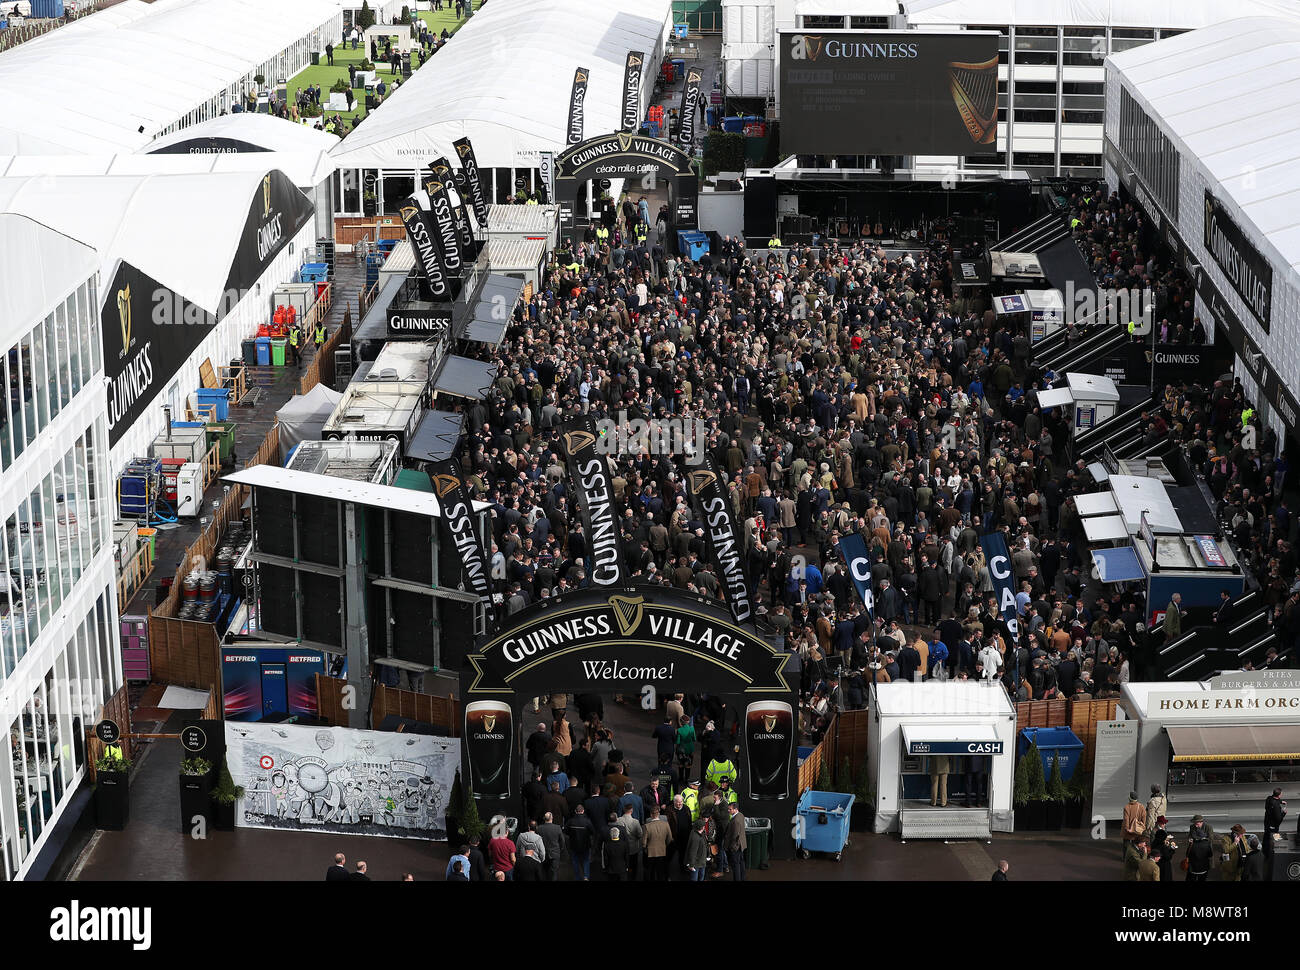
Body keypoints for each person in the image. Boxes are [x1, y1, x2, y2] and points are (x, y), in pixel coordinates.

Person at [565, 803, 594, 881]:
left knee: (575, 862)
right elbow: (592, 832)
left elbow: (566, 831)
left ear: (575, 811)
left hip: (574, 845)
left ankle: (577, 877)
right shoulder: (587, 821)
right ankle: (586, 876)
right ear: (583, 811)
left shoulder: (570, 821)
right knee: (586, 860)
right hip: (585, 844)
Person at [643, 805, 672, 881]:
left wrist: (645, 848)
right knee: (661, 871)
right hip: (662, 850)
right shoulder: (666, 824)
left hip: (650, 852)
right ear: (658, 814)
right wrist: (665, 845)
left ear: (651, 815)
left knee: (651, 871)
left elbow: (644, 842)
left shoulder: (647, 826)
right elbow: (670, 838)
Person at [723, 802, 747, 881]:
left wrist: (732, 847)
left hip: (735, 846)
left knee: (735, 865)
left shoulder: (735, 820)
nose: (728, 810)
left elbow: (734, 836)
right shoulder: (741, 815)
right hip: (741, 844)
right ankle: (742, 878)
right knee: (741, 862)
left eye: (730, 809)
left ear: (735, 809)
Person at [1121, 791, 1147, 858]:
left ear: (1129, 798)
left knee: (1126, 845)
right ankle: (1136, 858)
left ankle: (1126, 858)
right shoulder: (1141, 807)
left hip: (1129, 830)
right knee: (1136, 845)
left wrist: (1127, 829)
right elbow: (1144, 819)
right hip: (1137, 830)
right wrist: (1142, 827)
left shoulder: (1127, 807)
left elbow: (1126, 819)